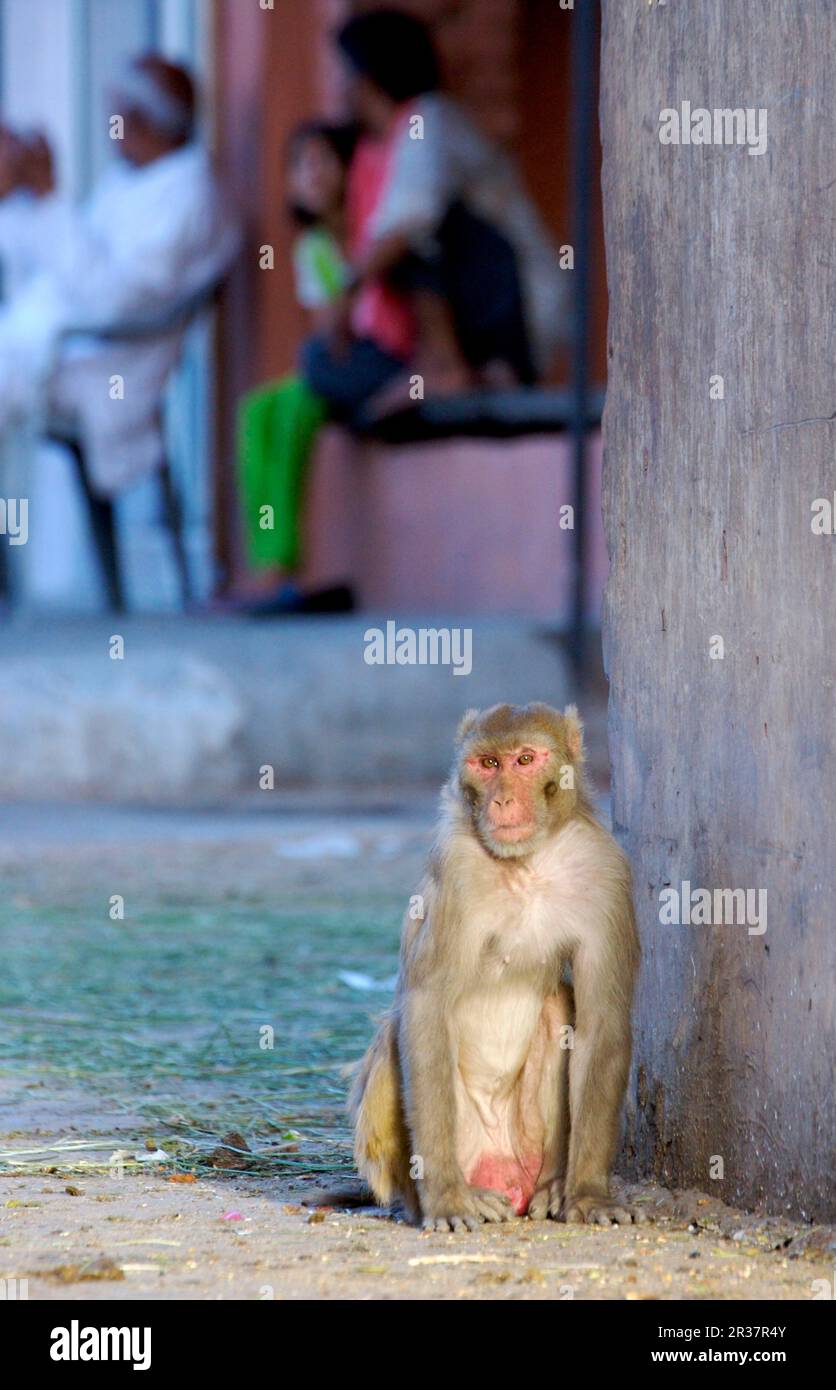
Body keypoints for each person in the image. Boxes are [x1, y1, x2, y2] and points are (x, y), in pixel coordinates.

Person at [301, 8, 567, 422]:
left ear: (366, 78)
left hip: (512, 315)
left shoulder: (429, 120)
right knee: (318, 361)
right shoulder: (382, 147)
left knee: (405, 242)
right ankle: (432, 373)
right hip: (473, 320)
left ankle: (446, 370)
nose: (337, 88)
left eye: (343, 72)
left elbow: (406, 229)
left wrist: (347, 290)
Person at [0, 54, 238, 502]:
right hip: (54, 347)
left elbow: (108, 299)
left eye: (117, 115)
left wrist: (50, 196)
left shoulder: (187, 196)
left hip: (98, 366)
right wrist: (22, 190)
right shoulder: (131, 180)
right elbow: (51, 261)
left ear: (143, 121)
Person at [237, 122, 358, 614]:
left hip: (365, 363)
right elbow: (325, 325)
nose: (312, 175)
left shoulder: (360, 225)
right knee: (257, 410)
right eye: (300, 166)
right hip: (335, 361)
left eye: (322, 160)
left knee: (292, 412)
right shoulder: (311, 247)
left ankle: (283, 564)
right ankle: (265, 555)